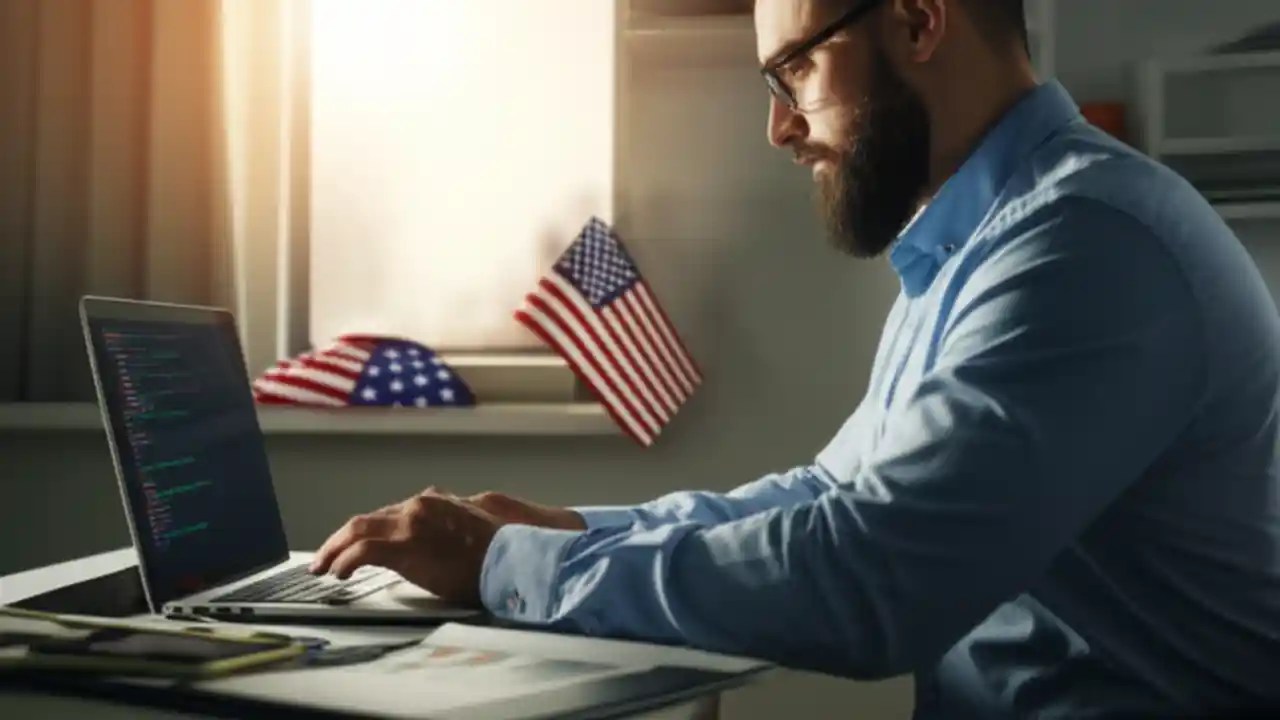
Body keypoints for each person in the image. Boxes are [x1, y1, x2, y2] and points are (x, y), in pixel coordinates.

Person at [309, 0, 1280, 716]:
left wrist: (507, 566)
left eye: (796, 73)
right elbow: (830, 499)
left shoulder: (1081, 247)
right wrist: (566, 532)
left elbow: (869, 577)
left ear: (915, 20)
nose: (779, 128)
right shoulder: (980, 244)